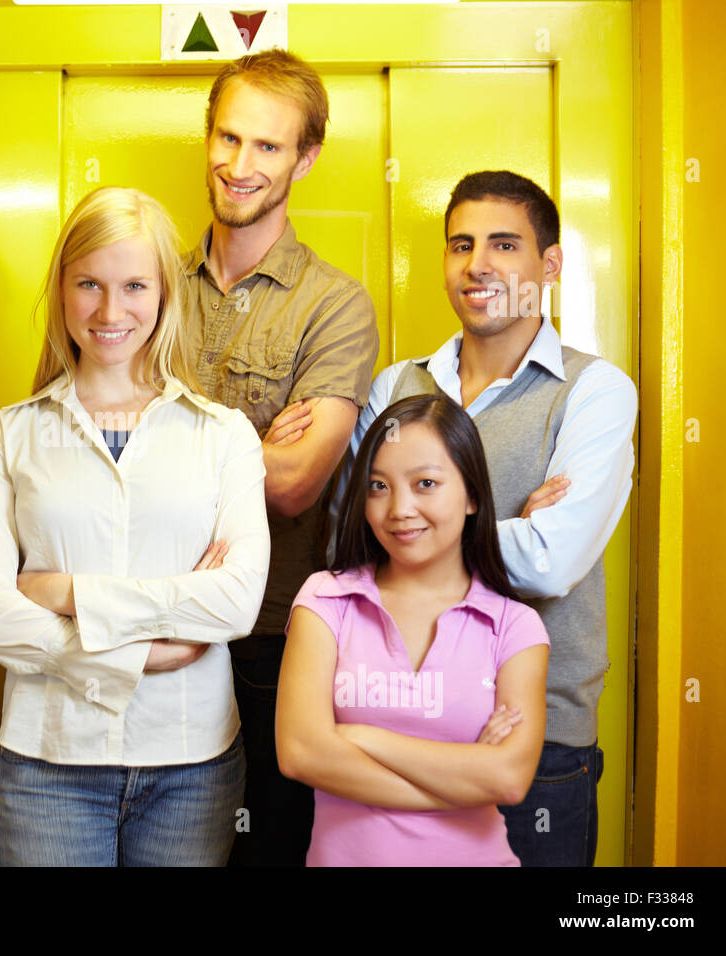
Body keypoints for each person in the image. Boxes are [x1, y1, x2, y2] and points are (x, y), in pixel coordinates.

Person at [0, 186, 270, 866]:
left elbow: (236, 601)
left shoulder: (225, 436)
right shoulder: (7, 435)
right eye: (89, 284)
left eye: (134, 285)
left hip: (193, 763)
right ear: (62, 289)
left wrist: (66, 593)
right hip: (49, 765)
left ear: (164, 296)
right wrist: (149, 650)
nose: (109, 310)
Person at [349, 170, 638, 866]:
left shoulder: (594, 391)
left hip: (534, 739)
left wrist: (412, 538)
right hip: (400, 718)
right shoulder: (398, 384)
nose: (477, 264)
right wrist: (505, 524)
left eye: (504, 245)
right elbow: (356, 543)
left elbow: (553, 562)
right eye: (461, 245)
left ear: (550, 264)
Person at [180, 49, 380, 866]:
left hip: (270, 639)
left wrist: (165, 462)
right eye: (228, 138)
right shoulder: (144, 285)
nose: (239, 165)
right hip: (148, 623)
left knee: (265, 851)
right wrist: (248, 452)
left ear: (307, 157)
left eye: (268, 147)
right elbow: (81, 464)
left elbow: (295, 485)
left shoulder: (335, 305)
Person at [277, 393, 549, 865]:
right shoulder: (324, 601)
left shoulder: (515, 627)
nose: (399, 508)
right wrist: (462, 781)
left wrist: (359, 736)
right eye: (378, 486)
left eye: (425, 483)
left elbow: (507, 779)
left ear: (472, 496)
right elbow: (300, 753)